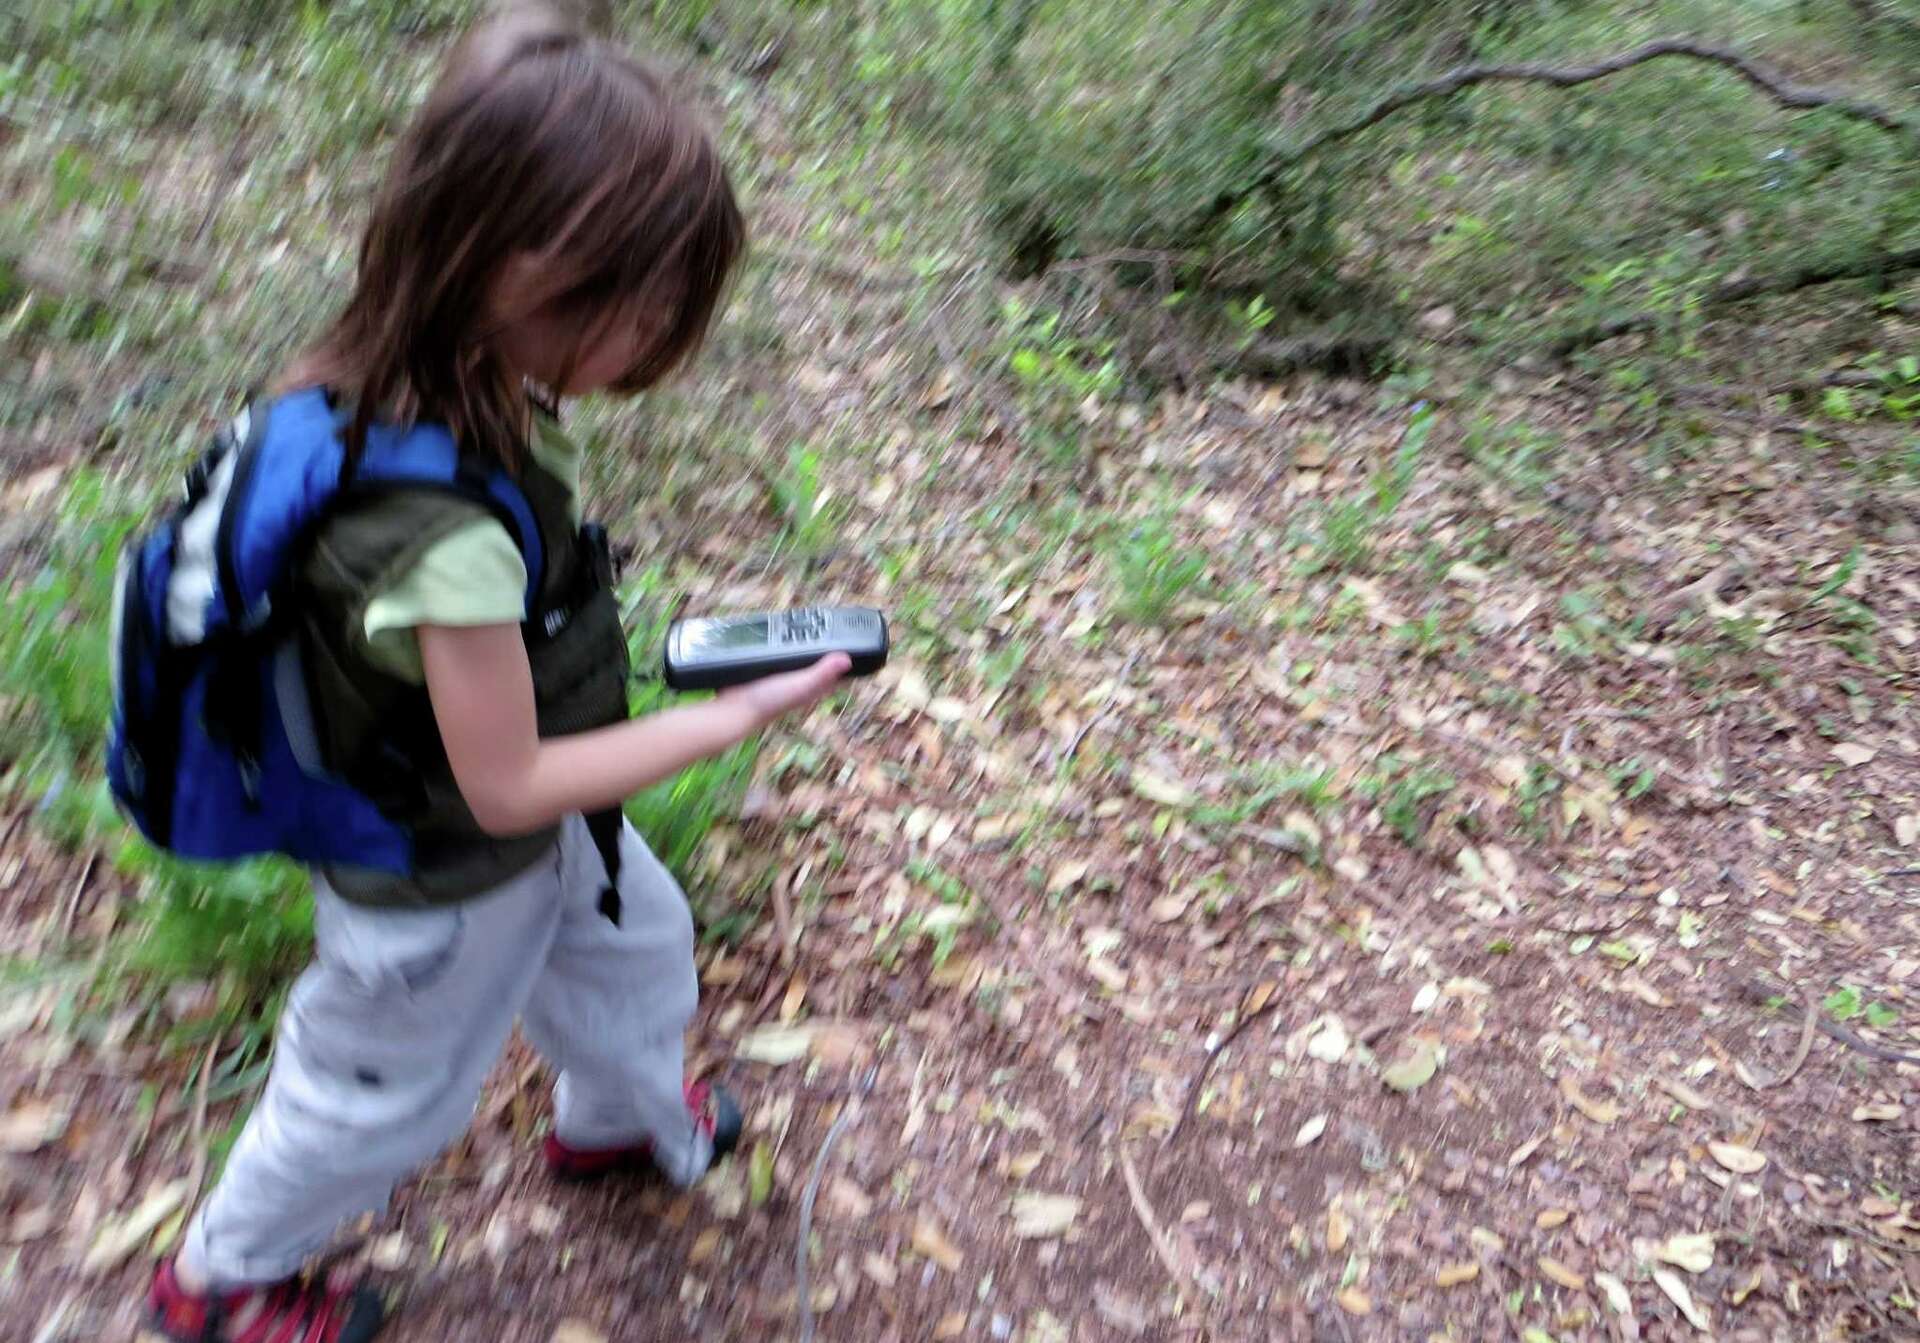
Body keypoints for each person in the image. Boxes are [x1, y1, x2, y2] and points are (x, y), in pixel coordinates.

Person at [146, 7, 848, 1340]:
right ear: (498, 256)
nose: (650, 341)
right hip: (437, 884)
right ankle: (221, 1279)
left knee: (641, 948)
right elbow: (512, 780)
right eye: (635, 306)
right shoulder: (440, 532)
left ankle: (618, 1122)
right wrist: (734, 717)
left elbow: (514, 50)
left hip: (528, 843)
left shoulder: (444, 362)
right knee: (375, 1096)